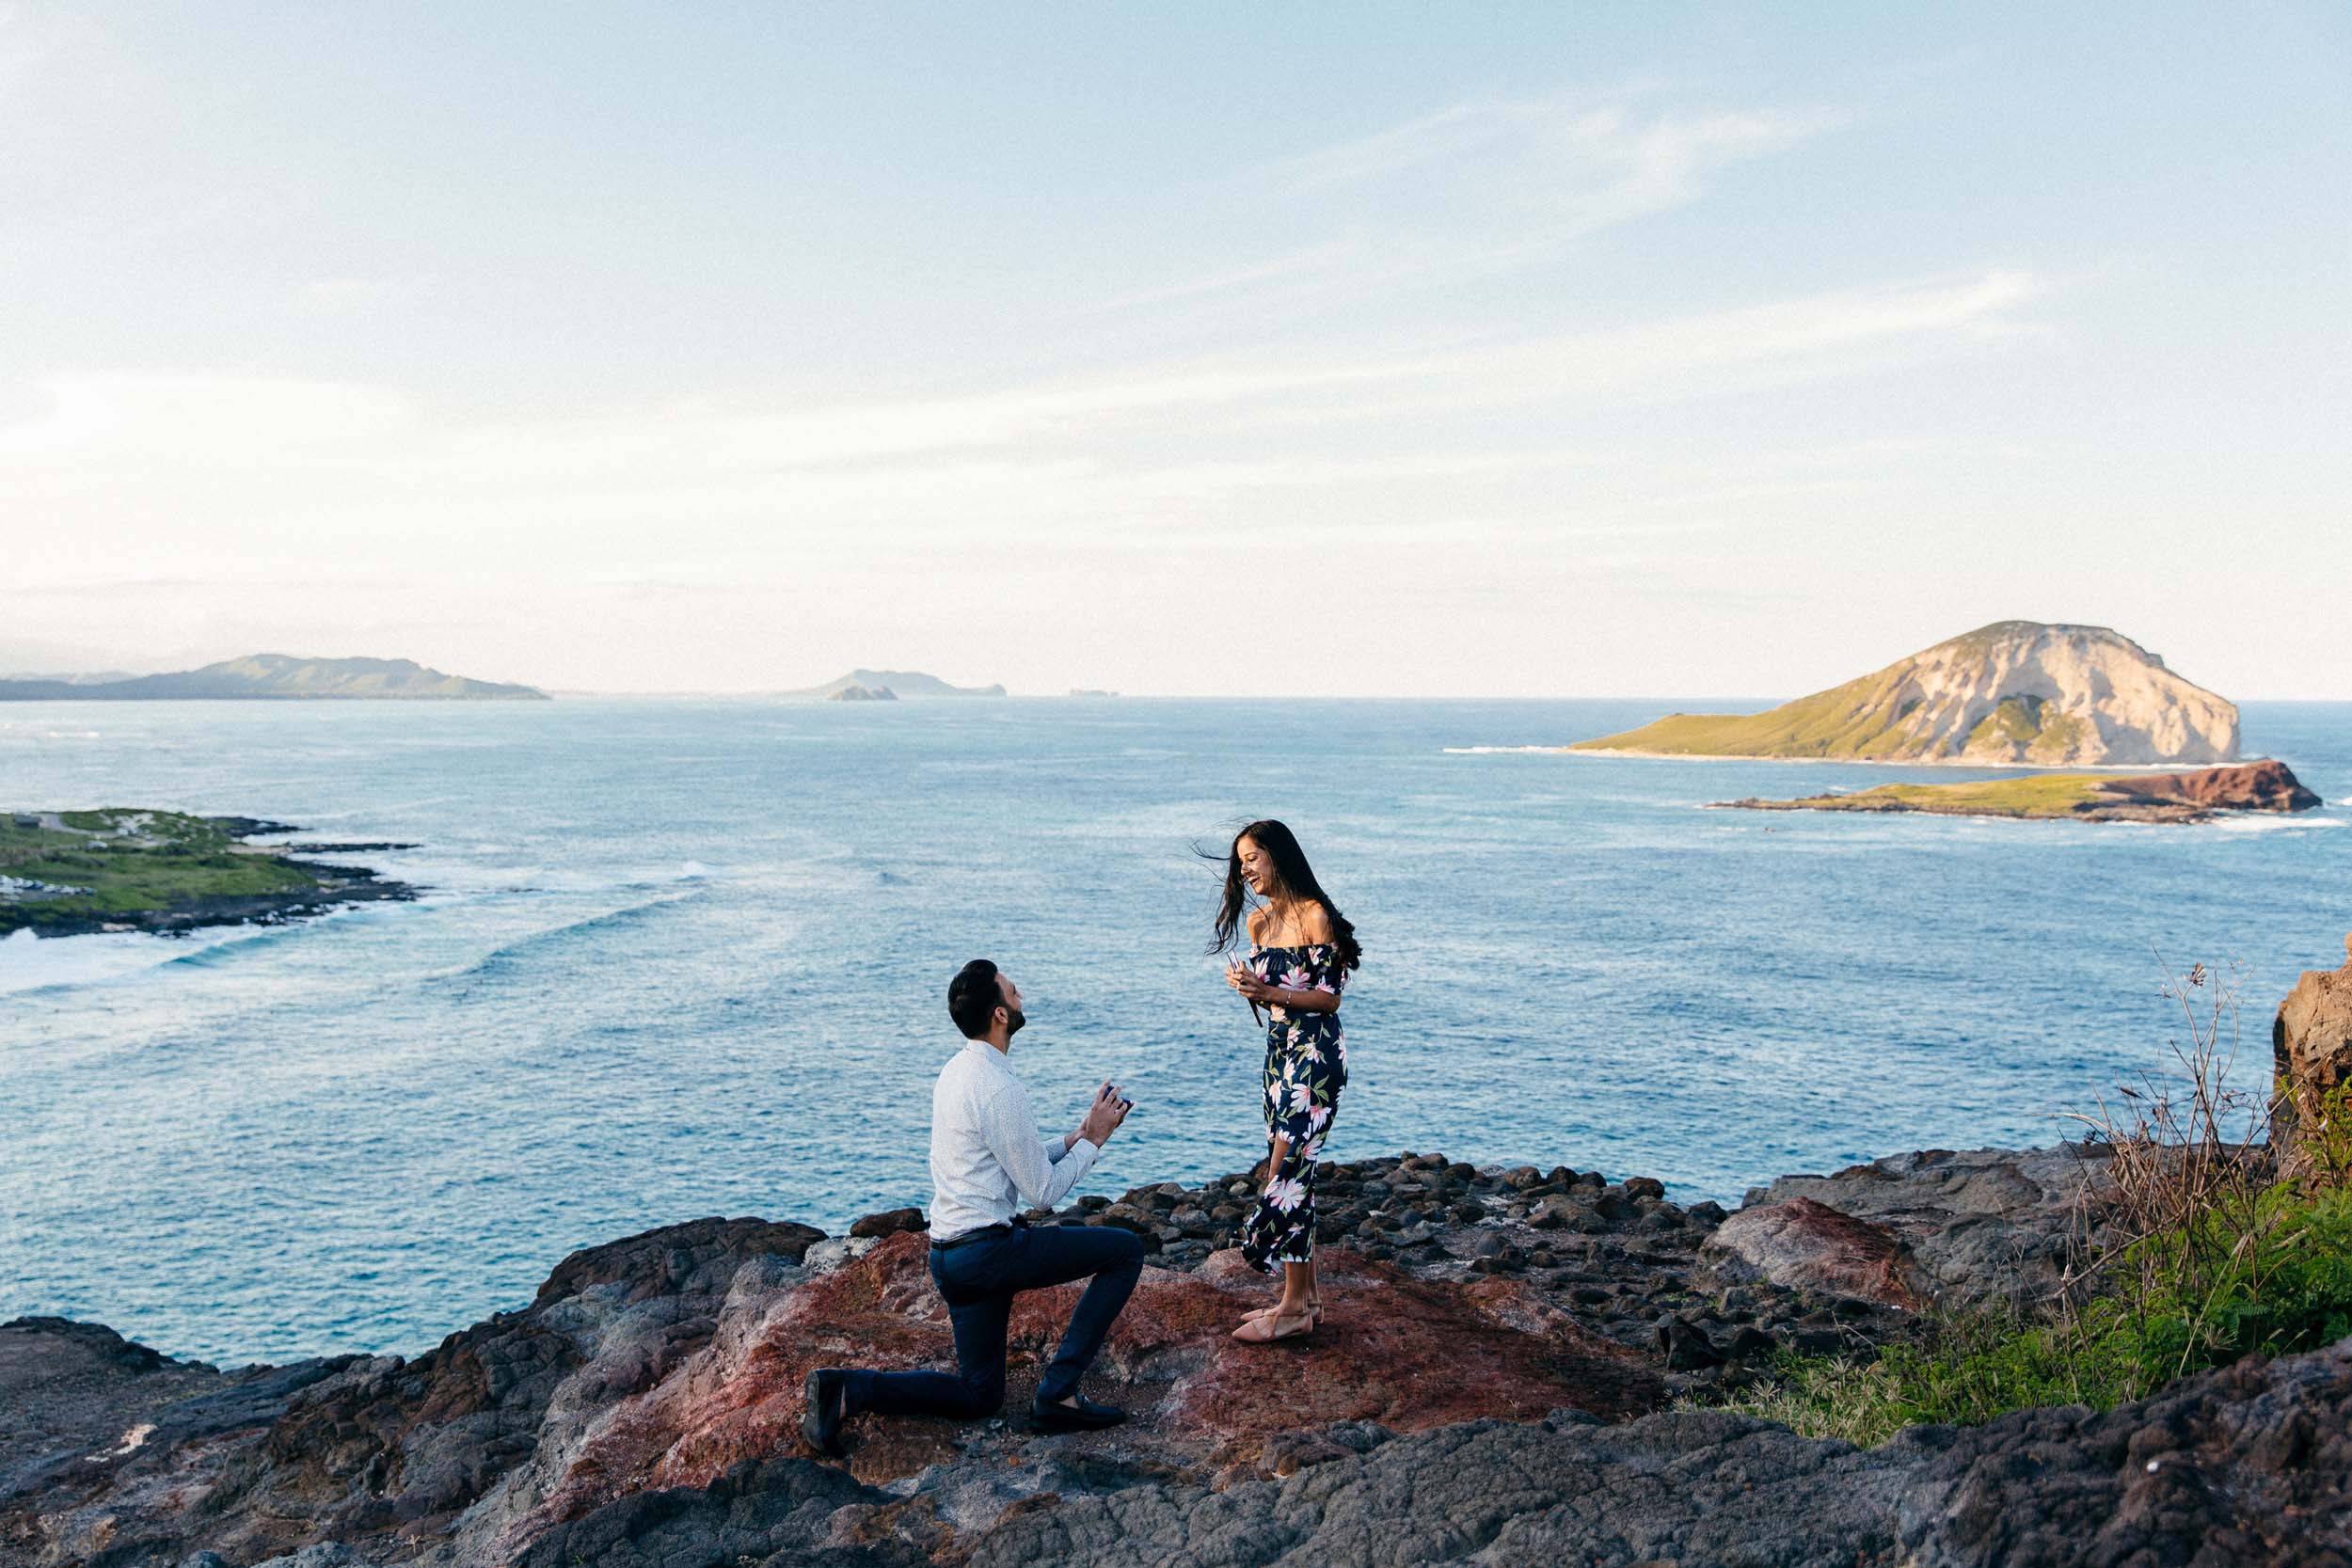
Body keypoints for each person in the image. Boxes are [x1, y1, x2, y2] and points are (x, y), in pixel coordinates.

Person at [802, 959, 1141, 1457]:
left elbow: (1007, 1157)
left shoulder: (958, 1071)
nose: (1018, 989)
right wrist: (1097, 1143)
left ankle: (847, 1388)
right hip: (989, 1254)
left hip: (949, 1256)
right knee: (1125, 1251)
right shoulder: (1000, 1088)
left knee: (980, 1395)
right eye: (1010, 987)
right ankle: (1059, 1393)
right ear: (1000, 1014)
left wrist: (1075, 1136)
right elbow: (1043, 1192)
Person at [1214, 819, 1360, 1343]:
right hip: (1277, 1061)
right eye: (1240, 861)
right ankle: (1311, 1299)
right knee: (1297, 1173)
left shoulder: (1316, 917)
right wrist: (1250, 989)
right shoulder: (1259, 924)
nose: (1245, 869)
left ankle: (1293, 1305)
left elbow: (1329, 999)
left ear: (1278, 856)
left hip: (1317, 1062)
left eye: (1252, 857)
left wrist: (1270, 992)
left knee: (1286, 1172)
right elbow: (1272, 999)